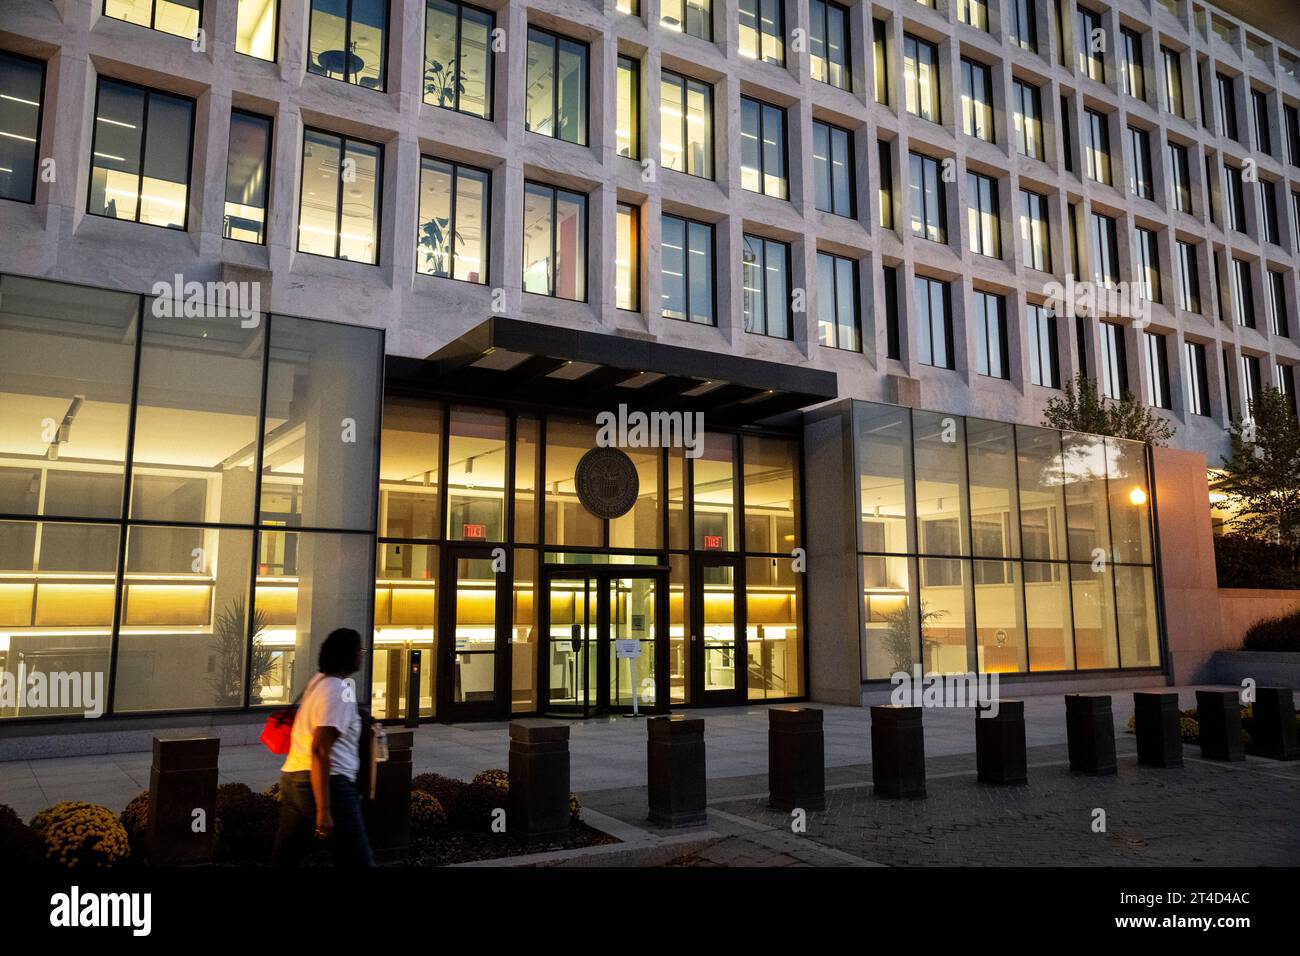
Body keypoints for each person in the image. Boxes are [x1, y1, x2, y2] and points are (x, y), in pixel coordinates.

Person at [272, 627, 375, 866]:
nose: (362, 655)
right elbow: (320, 749)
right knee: (358, 860)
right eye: (359, 650)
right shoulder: (339, 690)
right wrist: (324, 809)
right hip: (330, 784)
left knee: (286, 858)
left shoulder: (318, 683)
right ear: (347, 655)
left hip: (294, 778)